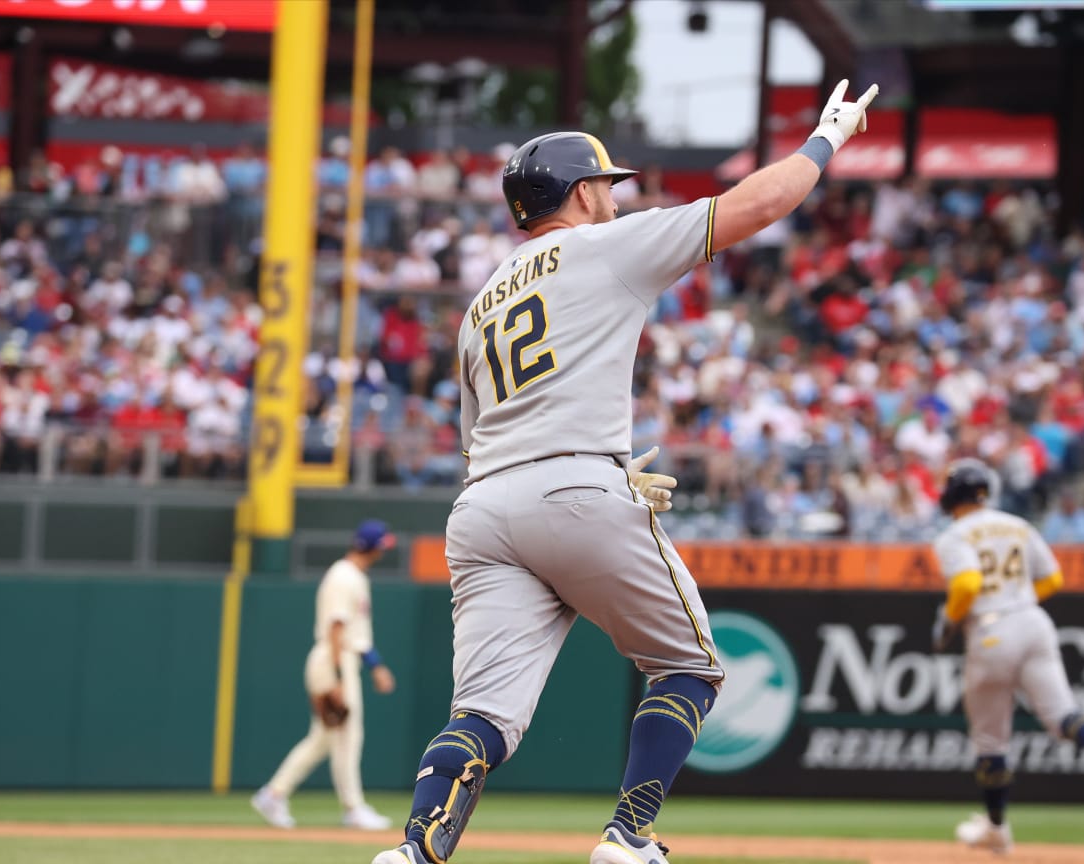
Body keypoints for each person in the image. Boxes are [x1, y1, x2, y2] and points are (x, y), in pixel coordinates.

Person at [372, 80, 882, 864]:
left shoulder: (479, 306)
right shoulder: (604, 244)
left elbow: (481, 441)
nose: (614, 200)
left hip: (483, 508)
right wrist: (826, 141)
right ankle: (628, 835)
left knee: (482, 715)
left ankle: (414, 850)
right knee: (691, 665)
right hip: (575, 489)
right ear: (580, 194)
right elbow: (750, 207)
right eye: (606, 188)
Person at [930, 459, 1084, 856]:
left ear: (952, 494)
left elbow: (969, 582)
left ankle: (998, 829)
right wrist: (1015, 602)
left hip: (990, 631)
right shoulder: (1017, 525)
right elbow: (1053, 579)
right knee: (1062, 714)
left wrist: (949, 620)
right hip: (1033, 620)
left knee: (991, 740)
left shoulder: (953, 535)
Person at [251, 520, 399, 831]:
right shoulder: (343, 577)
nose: (382, 552)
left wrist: (375, 666)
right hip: (333, 659)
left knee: (323, 739)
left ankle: (273, 793)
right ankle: (353, 808)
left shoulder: (352, 576)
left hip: (341, 658)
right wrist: (338, 678)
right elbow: (336, 628)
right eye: (381, 546)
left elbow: (356, 635)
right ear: (370, 547)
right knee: (348, 737)